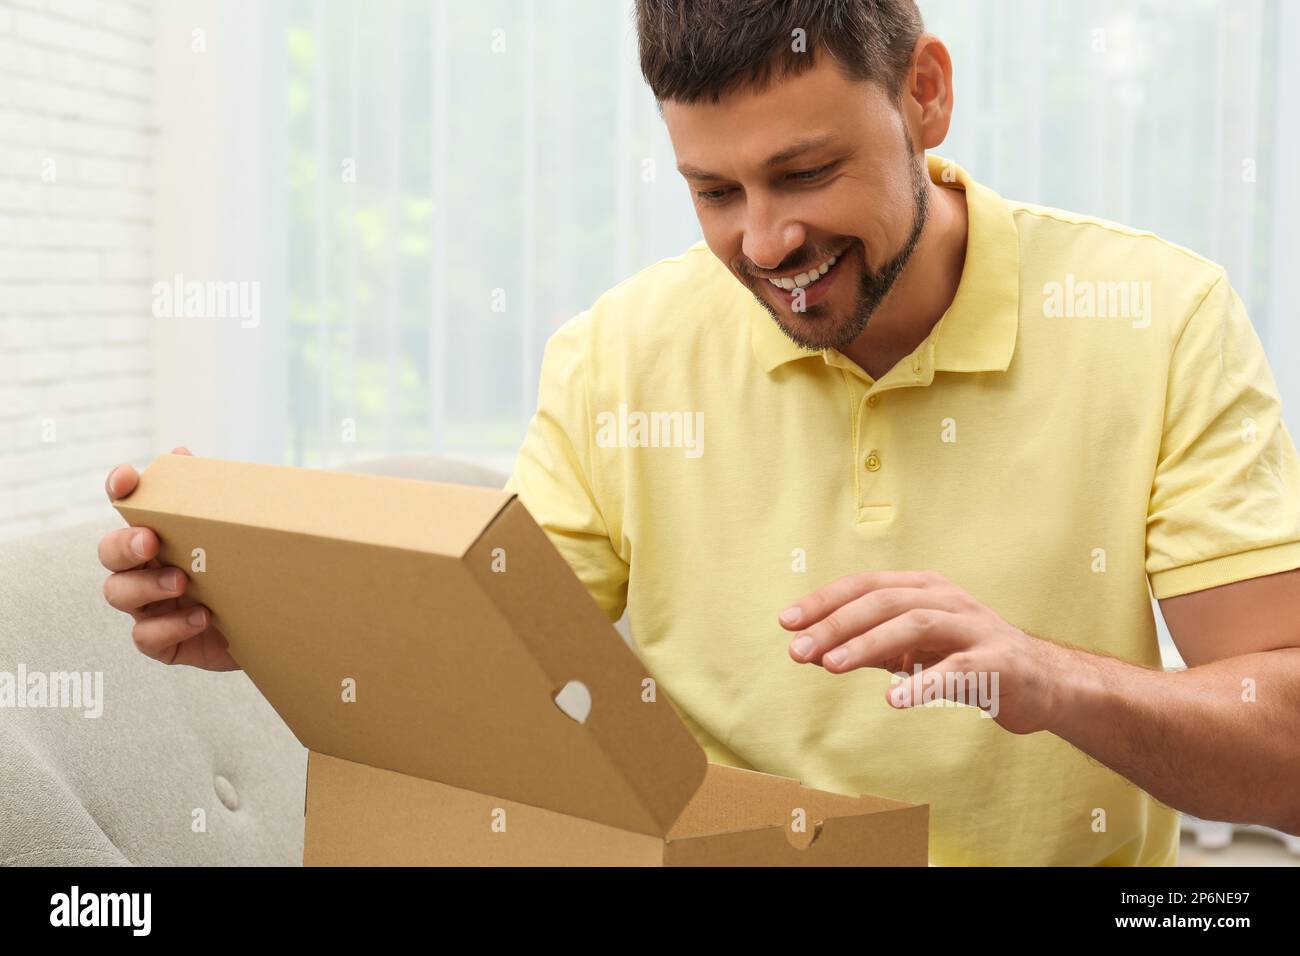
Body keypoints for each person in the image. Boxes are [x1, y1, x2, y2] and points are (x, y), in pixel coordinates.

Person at [97, 0, 1300, 864]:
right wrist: (269, 611)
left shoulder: (1156, 317)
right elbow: (505, 677)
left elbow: (1284, 746)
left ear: (924, 93)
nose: (767, 243)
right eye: (715, 192)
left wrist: (1047, 677)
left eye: (808, 171)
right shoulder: (619, 353)